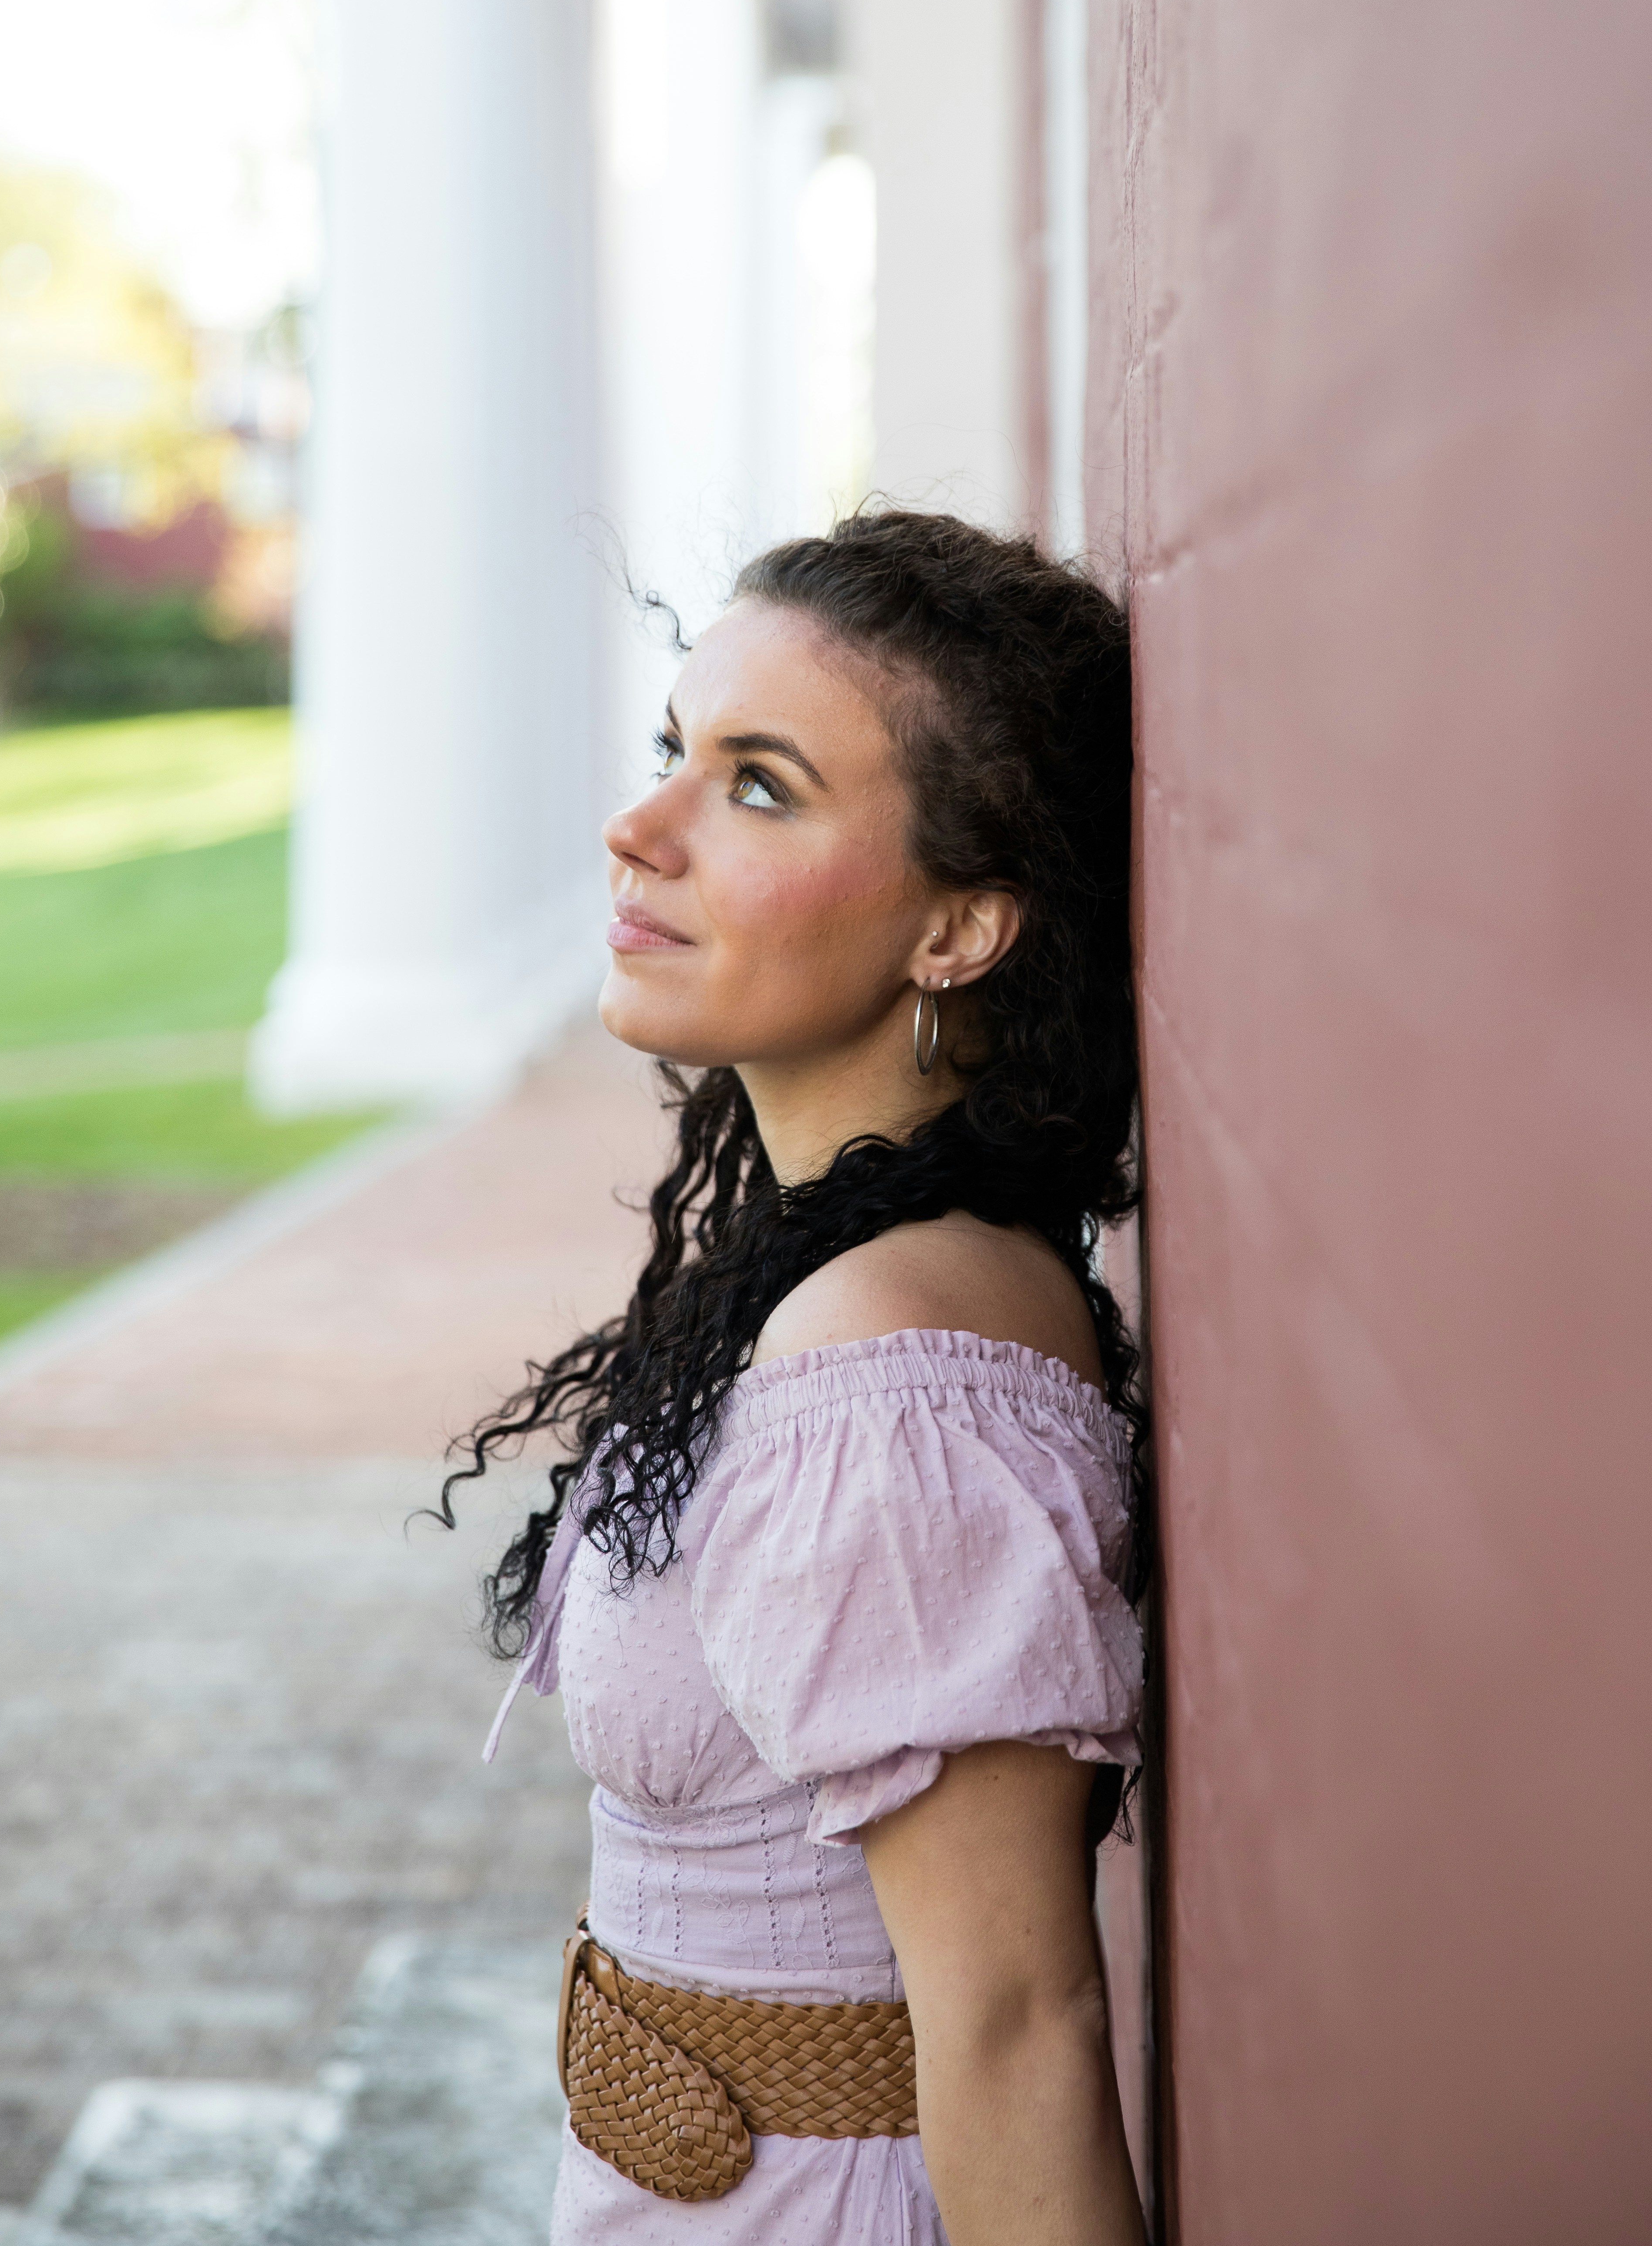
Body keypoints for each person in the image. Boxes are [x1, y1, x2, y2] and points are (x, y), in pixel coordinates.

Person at [447, 510, 1147, 2244]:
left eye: (757, 786)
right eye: (677, 752)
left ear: (958, 930)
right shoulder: (834, 1279)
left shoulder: (893, 1378)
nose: (641, 826)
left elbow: (1013, 2027)